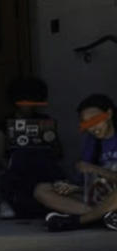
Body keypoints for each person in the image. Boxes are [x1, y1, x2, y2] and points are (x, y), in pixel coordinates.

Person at [35, 94, 117, 231]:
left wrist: (95, 169)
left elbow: (95, 171)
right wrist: (73, 187)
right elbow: (89, 184)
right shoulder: (91, 142)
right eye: (87, 124)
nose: (92, 127)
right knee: (42, 190)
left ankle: (79, 221)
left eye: (96, 120)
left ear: (108, 114)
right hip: (101, 197)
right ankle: (105, 216)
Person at [0, 76, 65, 219]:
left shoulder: (45, 121)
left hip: (43, 165)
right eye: (26, 102)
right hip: (18, 167)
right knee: (21, 159)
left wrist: (51, 139)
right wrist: (8, 166)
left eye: (33, 102)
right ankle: (11, 202)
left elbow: (59, 152)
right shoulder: (4, 124)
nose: (30, 106)